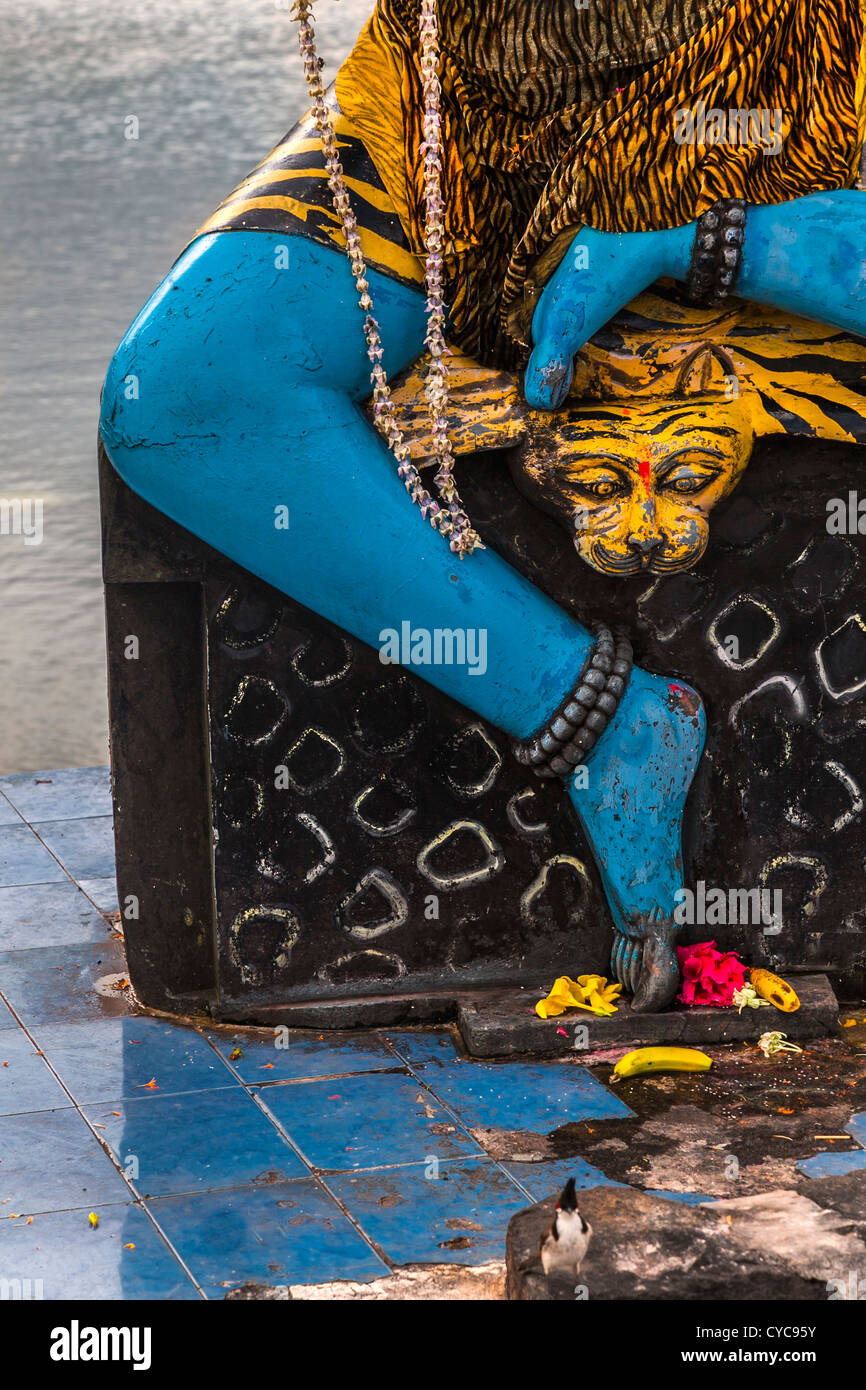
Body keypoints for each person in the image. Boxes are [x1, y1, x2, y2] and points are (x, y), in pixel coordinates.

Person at [100, 0, 866, 1008]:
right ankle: (590, 716)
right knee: (189, 384)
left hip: (785, 100)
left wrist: (709, 241)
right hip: (446, 116)